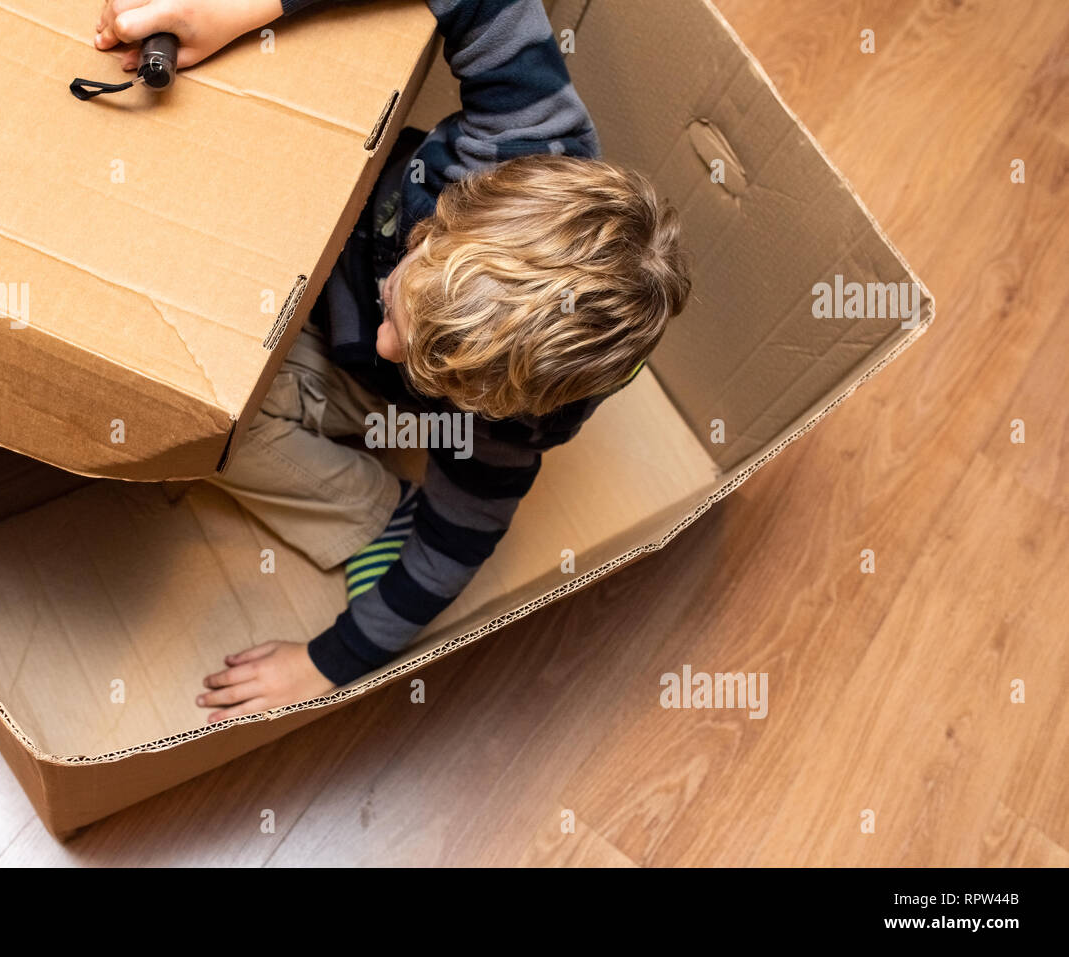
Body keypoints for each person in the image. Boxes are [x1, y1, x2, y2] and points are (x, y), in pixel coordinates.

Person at [93, 0, 691, 721]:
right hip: (315, 247)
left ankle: (376, 511)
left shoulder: (510, 424)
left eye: (429, 368)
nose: (387, 342)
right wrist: (241, 8)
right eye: (403, 308)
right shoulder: (519, 137)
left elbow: (454, 545)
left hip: (352, 382)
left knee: (210, 418)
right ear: (451, 215)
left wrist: (327, 662)